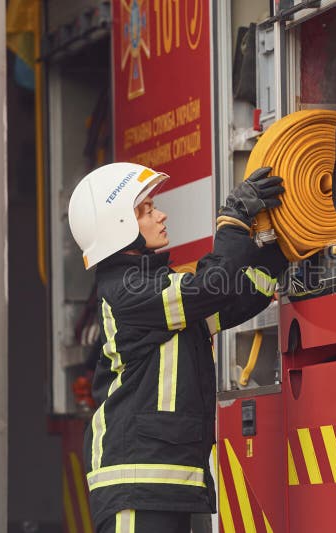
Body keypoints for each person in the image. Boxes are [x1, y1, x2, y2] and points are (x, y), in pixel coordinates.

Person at [67, 162, 287, 533]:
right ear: (118, 224)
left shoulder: (158, 291)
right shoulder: (127, 291)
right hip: (135, 483)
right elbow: (212, 287)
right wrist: (233, 220)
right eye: (147, 210)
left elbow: (234, 299)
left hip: (171, 482)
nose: (161, 215)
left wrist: (280, 247)